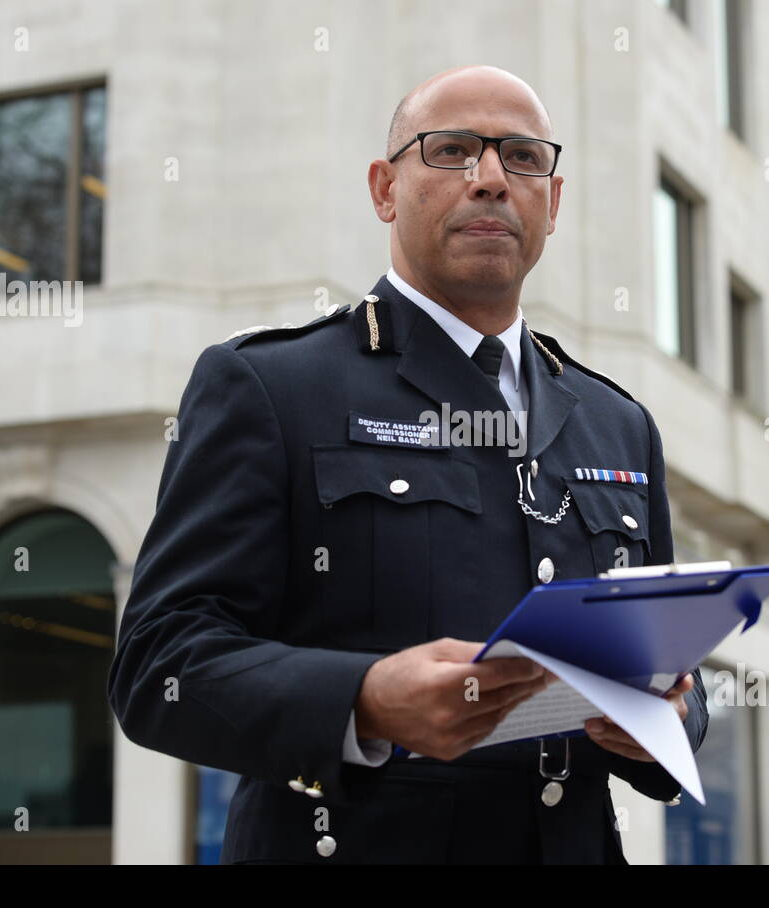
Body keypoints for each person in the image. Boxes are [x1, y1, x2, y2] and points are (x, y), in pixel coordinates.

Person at [108, 64, 708, 864]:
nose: (491, 178)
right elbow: (160, 664)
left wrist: (665, 716)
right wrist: (361, 701)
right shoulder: (271, 387)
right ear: (385, 189)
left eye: (523, 158)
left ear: (553, 204)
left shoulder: (617, 423)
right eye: (453, 149)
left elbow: (672, 679)